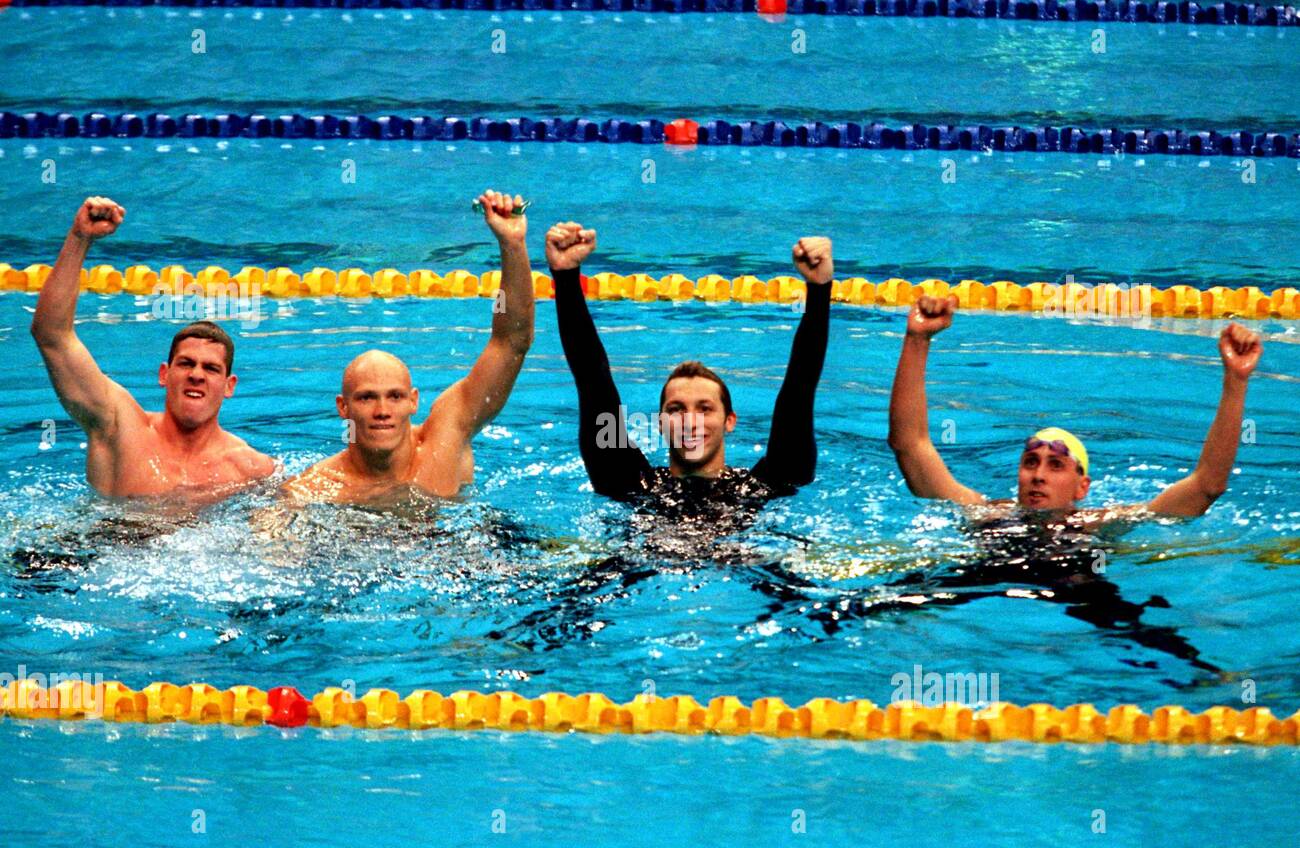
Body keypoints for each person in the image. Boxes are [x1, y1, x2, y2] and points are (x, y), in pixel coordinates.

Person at [545, 220, 833, 527]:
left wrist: (819, 290)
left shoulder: (764, 486)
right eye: (676, 409)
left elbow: (799, 391)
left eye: (705, 409)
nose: (690, 421)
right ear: (660, 424)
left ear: (730, 421)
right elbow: (593, 381)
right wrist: (565, 276)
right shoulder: (628, 480)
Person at [887, 294, 1263, 524]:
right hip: (985, 585)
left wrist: (1236, 380)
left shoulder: (1100, 524)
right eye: (1030, 462)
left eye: (1056, 466)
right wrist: (917, 339)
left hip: (1080, 594)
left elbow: (1206, 486)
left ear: (1083, 487)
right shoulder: (986, 514)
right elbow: (910, 444)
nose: (1038, 476)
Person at [280, 191, 535, 505]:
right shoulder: (313, 489)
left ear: (414, 401)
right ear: (343, 407)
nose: (383, 411)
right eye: (366, 398)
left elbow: (511, 343)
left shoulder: (445, 439)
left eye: (395, 396)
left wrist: (512, 245)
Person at [30, 196, 276, 500]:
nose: (197, 375)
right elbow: (51, 334)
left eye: (211, 368)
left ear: (229, 385)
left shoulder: (253, 470)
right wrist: (79, 238)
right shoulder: (118, 426)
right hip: (100, 544)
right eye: (186, 364)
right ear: (164, 373)